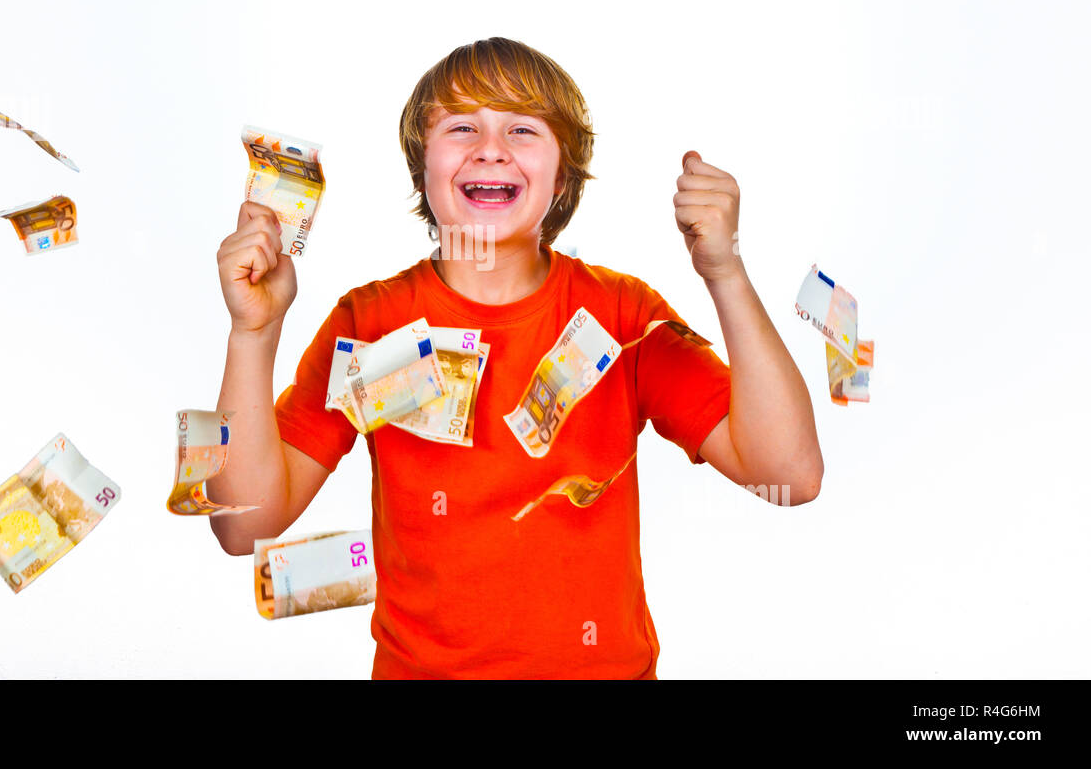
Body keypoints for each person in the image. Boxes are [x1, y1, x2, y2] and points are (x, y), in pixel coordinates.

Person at [206, 37, 823, 678]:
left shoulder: (623, 317)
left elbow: (791, 475)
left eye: (522, 128)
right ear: (423, 168)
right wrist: (254, 333)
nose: (490, 147)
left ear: (563, 177)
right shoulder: (369, 323)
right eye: (462, 125)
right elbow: (242, 526)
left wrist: (724, 272)